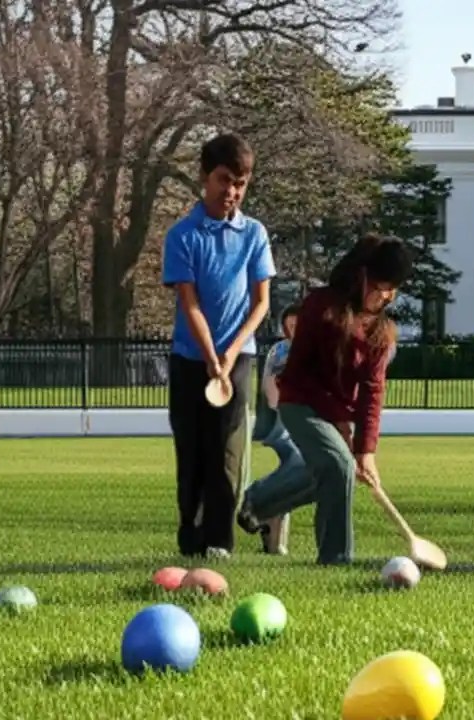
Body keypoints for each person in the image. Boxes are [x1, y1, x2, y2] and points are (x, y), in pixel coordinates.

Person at [237, 234, 412, 565]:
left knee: (333, 473)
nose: (386, 296)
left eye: (393, 288)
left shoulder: (381, 332)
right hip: (300, 402)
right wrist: (339, 422)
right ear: (361, 276)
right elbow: (299, 371)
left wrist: (366, 450)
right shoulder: (321, 307)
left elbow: (373, 393)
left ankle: (258, 505)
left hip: (335, 414)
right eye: (380, 286)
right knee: (339, 466)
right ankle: (336, 559)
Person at [162, 133, 274, 559]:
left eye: (241, 183)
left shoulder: (254, 234)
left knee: (226, 452)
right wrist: (211, 356)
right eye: (225, 180)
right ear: (204, 178)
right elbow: (189, 304)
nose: (232, 191)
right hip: (191, 360)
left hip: (238, 358)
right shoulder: (183, 235)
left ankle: (220, 543)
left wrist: (230, 354)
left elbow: (261, 302)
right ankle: (190, 539)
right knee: (191, 452)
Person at [248, 303, 303, 555]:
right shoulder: (280, 351)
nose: (294, 330)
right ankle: (256, 506)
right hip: (285, 421)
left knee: (293, 478)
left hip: (308, 420)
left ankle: (271, 532)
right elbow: (270, 388)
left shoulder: (316, 349)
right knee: (292, 471)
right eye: (290, 325)